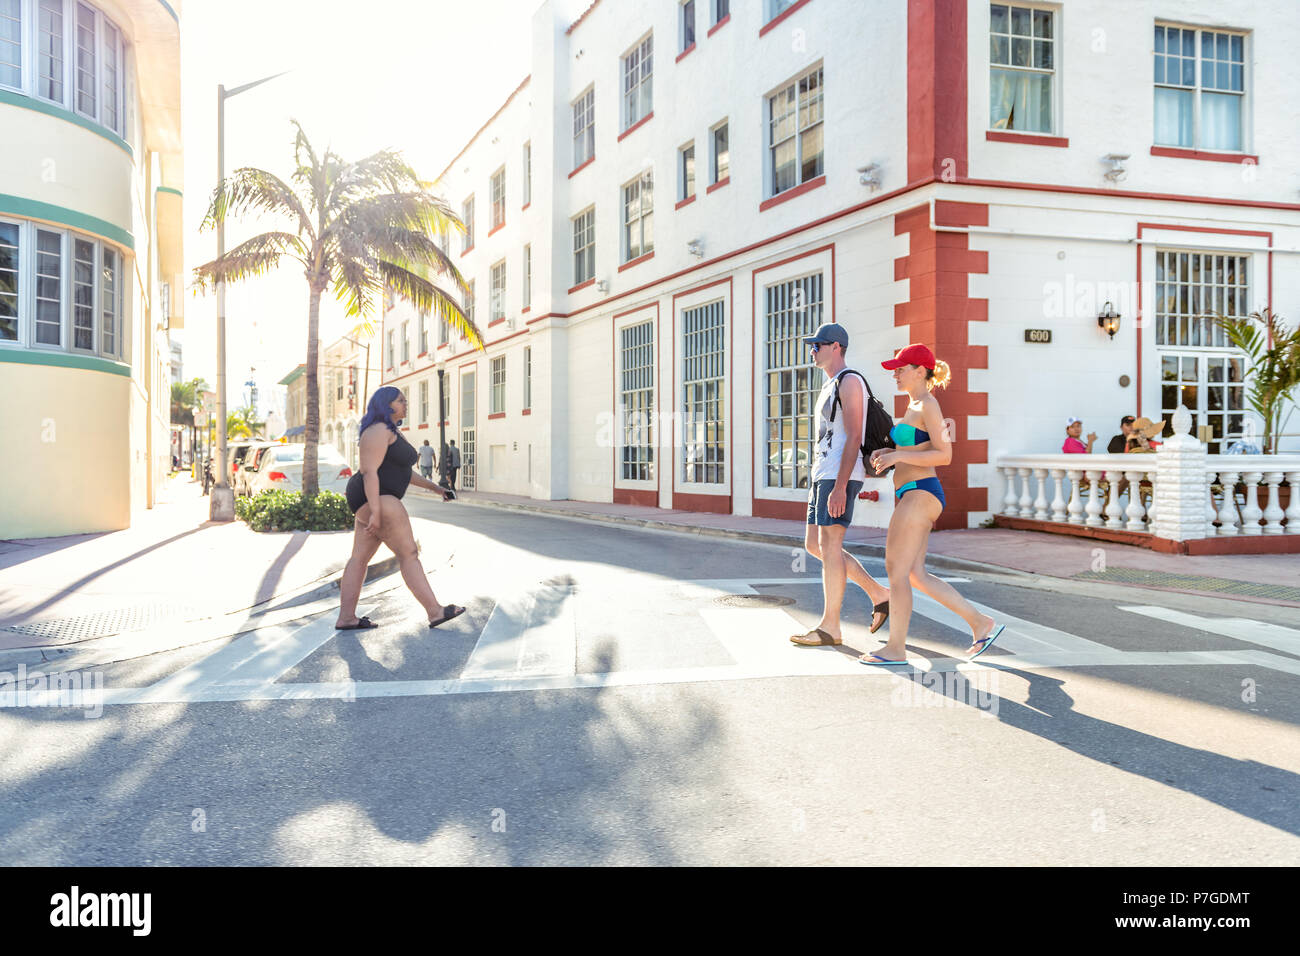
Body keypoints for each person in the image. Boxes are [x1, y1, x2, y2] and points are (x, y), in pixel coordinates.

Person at [862, 344, 1004, 665]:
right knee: (914, 574)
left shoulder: (928, 404)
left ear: (920, 371)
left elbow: (945, 454)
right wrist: (888, 454)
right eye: (895, 369)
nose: (895, 373)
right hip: (911, 491)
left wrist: (897, 454)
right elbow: (921, 448)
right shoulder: (914, 404)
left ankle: (896, 649)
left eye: (901, 368)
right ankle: (980, 623)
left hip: (921, 491)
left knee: (896, 570)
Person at [788, 323, 891, 647]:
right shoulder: (829, 383)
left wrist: (839, 485)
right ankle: (879, 593)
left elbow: (854, 437)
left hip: (838, 476)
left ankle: (830, 626)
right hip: (824, 473)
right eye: (812, 345)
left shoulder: (850, 381)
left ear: (836, 347)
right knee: (815, 546)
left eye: (817, 345)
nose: (812, 350)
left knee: (830, 547)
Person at [336, 386, 463, 631]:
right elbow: (369, 472)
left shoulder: (391, 431)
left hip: (375, 498)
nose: (406, 403)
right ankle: (435, 611)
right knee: (409, 554)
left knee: (359, 558)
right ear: (386, 405)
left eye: (405, 399)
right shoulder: (377, 430)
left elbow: (405, 472)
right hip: (377, 497)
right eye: (400, 400)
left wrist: (437, 489)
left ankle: (347, 618)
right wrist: (375, 511)